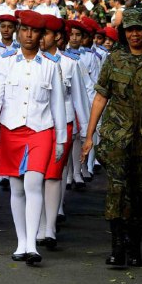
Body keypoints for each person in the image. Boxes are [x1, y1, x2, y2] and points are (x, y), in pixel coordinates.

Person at [81, 8, 142, 268]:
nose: (134, 34)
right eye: (129, 30)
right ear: (124, 33)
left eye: (138, 29)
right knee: (116, 190)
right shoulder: (114, 59)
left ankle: (134, 248)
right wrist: (89, 135)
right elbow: (101, 96)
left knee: (140, 194)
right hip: (117, 138)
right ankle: (117, 248)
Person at [0, 10, 67, 265]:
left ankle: (32, 244)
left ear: (41, 35)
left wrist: (61, 139)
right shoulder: (5, 61)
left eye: (34, 31)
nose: (29, 35)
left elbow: (58, 105)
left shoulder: (51, 66)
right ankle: (21, 241)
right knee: (17, 187)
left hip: (41, 130)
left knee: (33, 182)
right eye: (25, 30)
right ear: (19, 32)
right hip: (11, 129)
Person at [37, 14, 90, 248]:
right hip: (35, 125)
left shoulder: (70, 63)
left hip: (63, 124)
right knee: (35, 177)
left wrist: (88, 133)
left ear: (57, 37)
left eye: (44, 33)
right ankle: (37, 225)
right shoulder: (26, 62)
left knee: (54, 175)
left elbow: (80, 99)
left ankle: (49, 227)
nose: (39, 38)